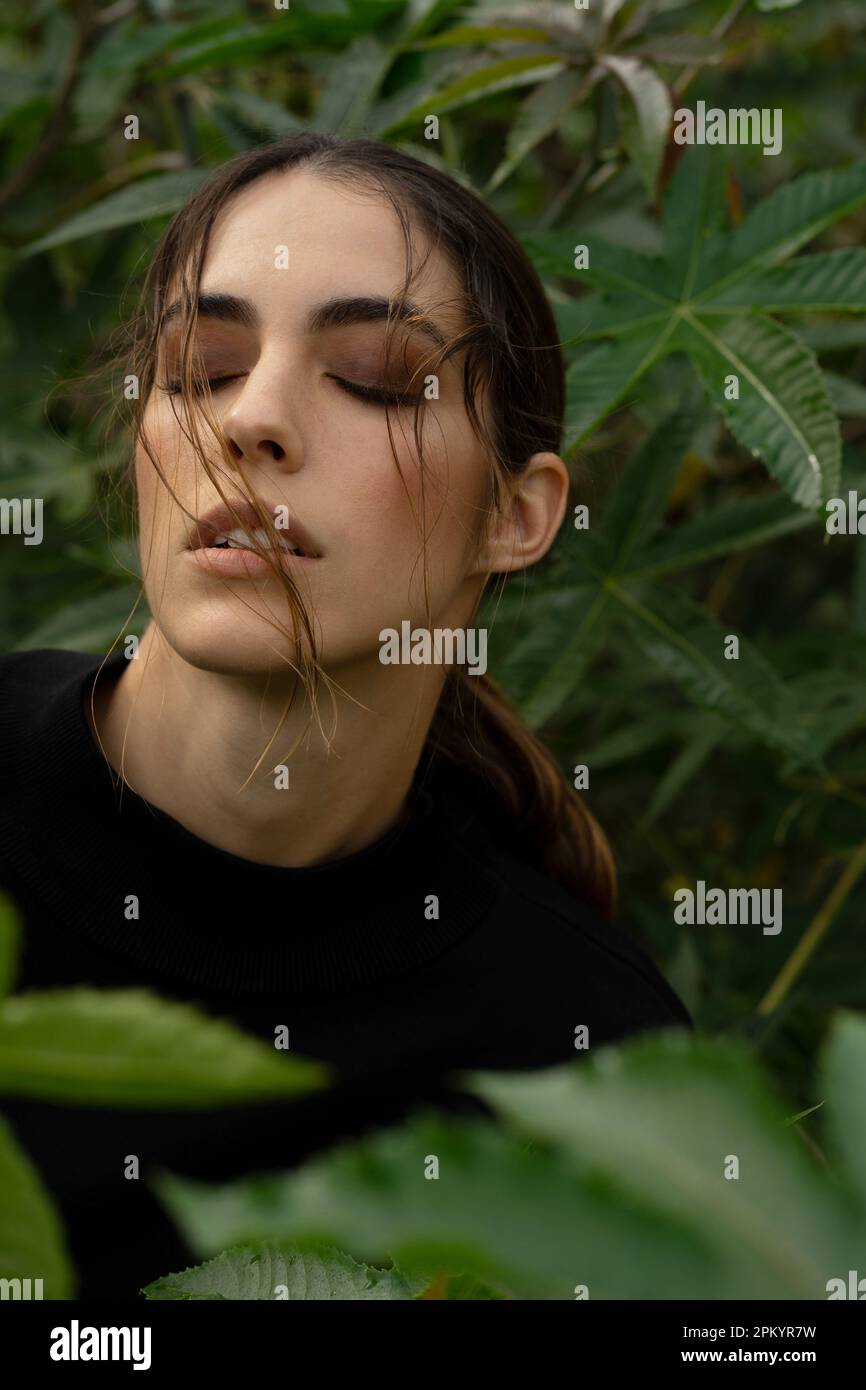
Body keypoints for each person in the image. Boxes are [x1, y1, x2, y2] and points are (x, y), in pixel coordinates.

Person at [0, 133, 691, 1300]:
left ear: (514, 516)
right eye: (200, 366)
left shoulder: (585, 1064)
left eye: (374, 376)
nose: (251, 419)